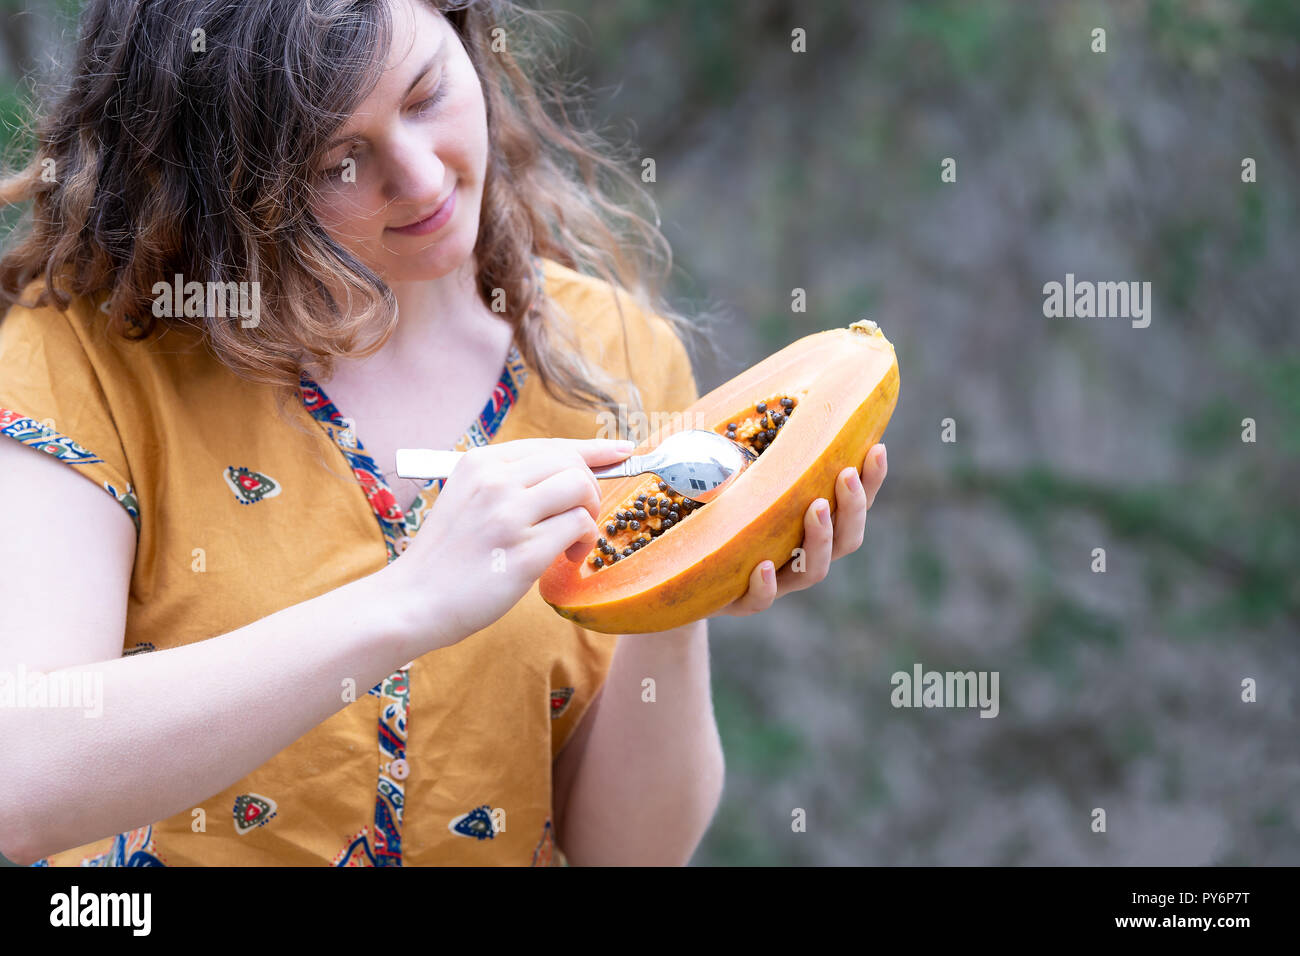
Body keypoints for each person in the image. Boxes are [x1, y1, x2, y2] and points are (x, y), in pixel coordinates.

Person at [0, 0, 886, 867]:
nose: (421, 178)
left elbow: (628, 853)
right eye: (339, 159)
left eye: (426, 97)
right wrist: (407, 604)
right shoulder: (84, 355)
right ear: (229, 183)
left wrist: (685, 581)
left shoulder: (614, 353)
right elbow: (20, 778)